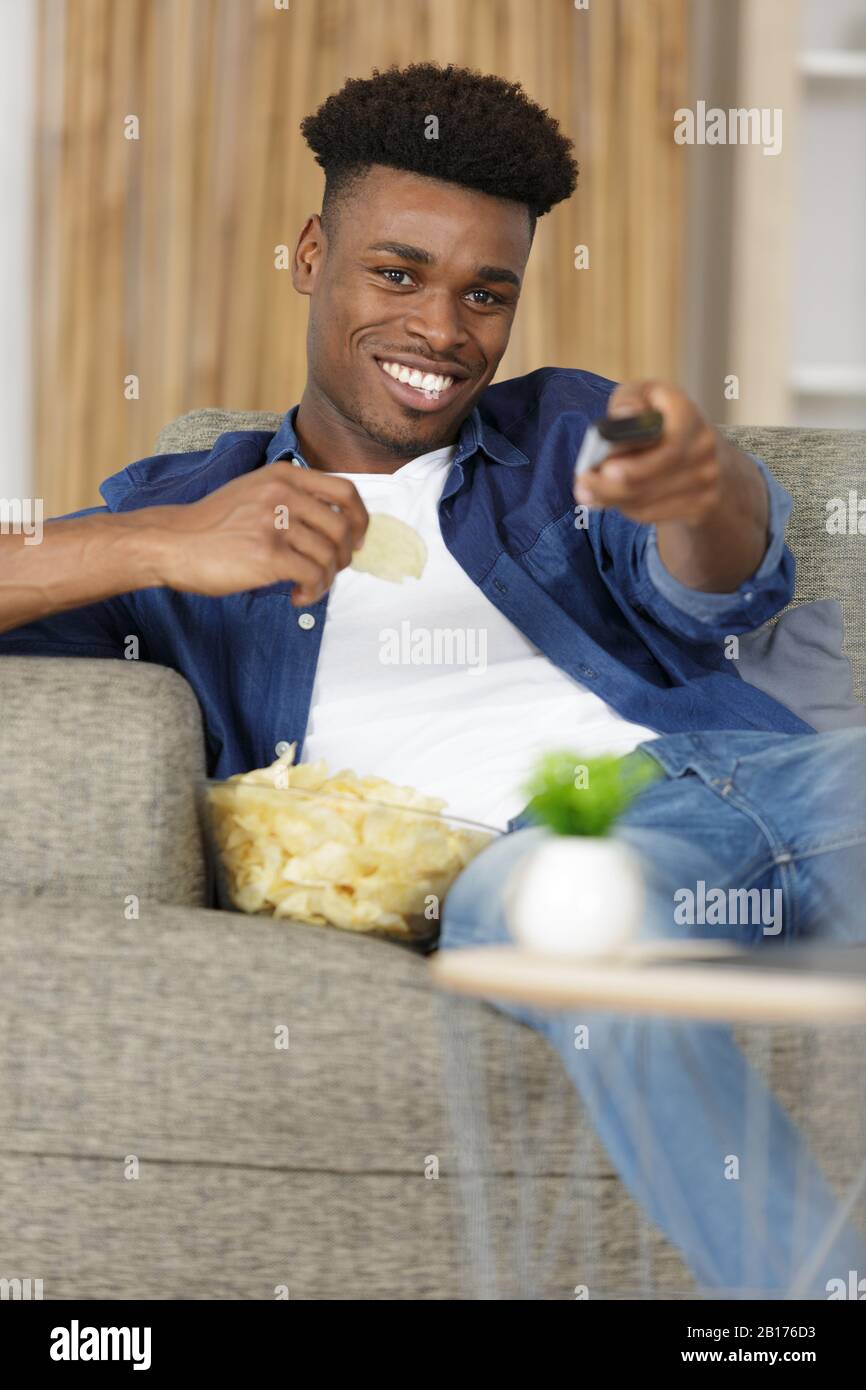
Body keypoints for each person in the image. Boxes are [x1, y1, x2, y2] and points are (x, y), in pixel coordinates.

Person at [2, 62, 863, 1294]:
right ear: (309, 254)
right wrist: (147, 545)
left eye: (485, 294)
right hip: (558, 850)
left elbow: (716, 583)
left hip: (777, 784)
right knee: (551, 915)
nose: (442, 331)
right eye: (396, 274)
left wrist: (702, 486)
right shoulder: (186, 515)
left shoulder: (562, 432)